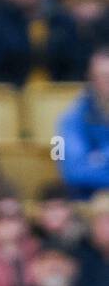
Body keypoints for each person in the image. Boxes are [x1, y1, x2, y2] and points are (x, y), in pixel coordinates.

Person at [57, 46, 109, 199]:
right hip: (89, 203)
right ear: (91, 79)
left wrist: (100, 157)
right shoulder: (70, 119)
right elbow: (72, 171)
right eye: (105, 76)